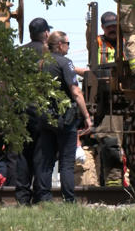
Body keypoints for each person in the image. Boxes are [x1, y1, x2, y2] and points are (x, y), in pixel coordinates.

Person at [34, 31, 93, 202]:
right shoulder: (65, 63)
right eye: (67, 43)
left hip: (45, 119)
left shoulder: (41, 63)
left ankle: (44, 198)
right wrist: (87, 116)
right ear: (60, 45)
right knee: (66, 163)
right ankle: (69, 199)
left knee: (46, 161)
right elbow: (76, 92)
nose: (68, 46)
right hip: (65, 119)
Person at [15, 17, 52, 205]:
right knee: (41, 154)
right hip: (41, 110)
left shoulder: (17, 53)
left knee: (22, 154)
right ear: (46, 33)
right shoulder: (49, 54)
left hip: (20, 110)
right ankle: (41, 196)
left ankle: (22, 197)